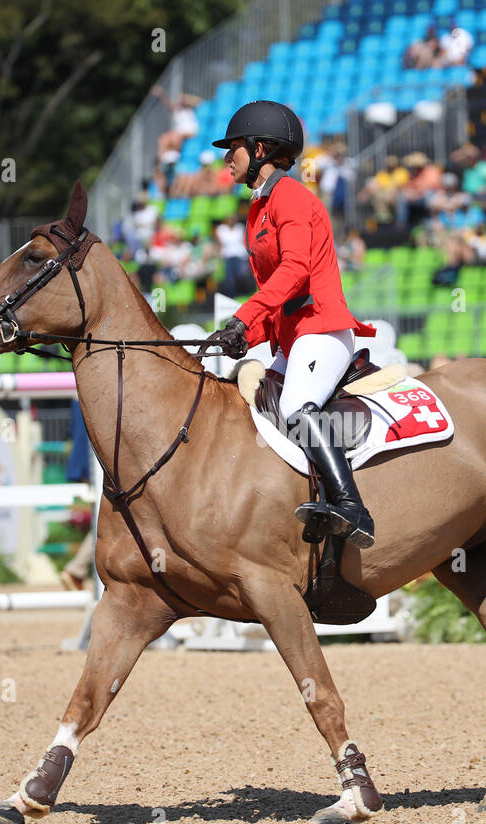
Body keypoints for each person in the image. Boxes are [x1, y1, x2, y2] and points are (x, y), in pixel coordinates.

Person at [206, 100, 379, 548]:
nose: (227, 157)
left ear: (260, 148)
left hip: (322, 330)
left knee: (297, 406)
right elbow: (280, 300)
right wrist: (246, 336)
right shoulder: (258, 210)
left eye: (234, 149)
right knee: (247, 406)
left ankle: (351, 507)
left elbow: (296, 271)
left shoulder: (294, 198)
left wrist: (242, 318)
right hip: (292, 337)